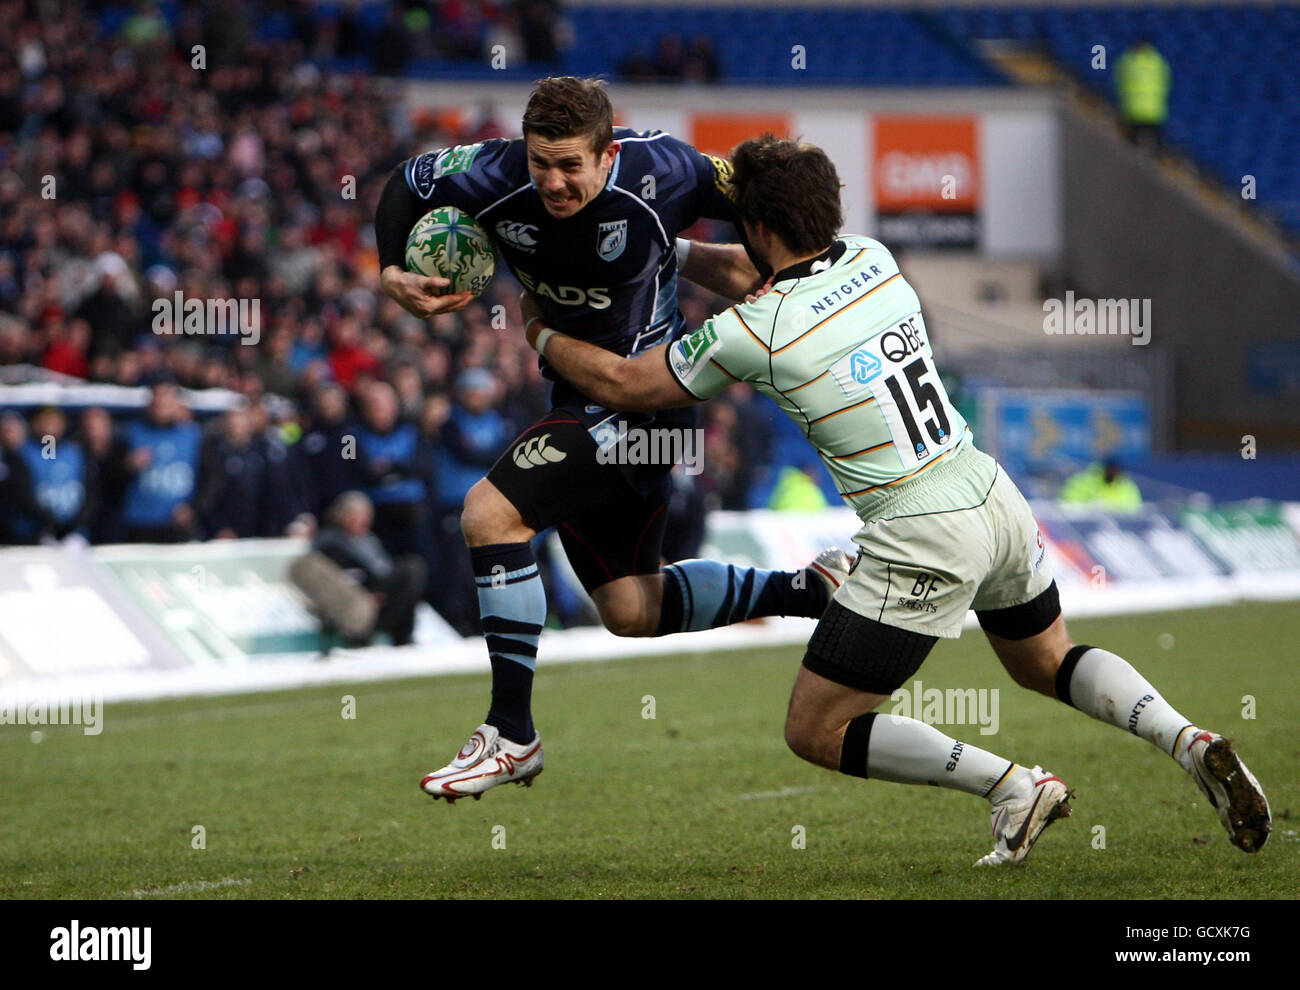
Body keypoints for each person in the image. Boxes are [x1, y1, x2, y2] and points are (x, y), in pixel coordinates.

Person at [521, 135, 1271, 864]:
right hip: (990, 492)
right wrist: (671, 251)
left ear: (756, 227)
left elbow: (624, 382)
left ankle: (1014, 786)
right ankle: (1189, 740)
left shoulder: (757, 330)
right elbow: (756, 273)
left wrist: (540, 328)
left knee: (816, 728)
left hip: (921, 532)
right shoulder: (874, 258)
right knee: (1048, 659)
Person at [376, 77, 850, 801]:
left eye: (571, 165)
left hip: (648, 402)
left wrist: (788, 280)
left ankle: (510, 733)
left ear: (609, 154)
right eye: (541, 163)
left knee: (490, 514)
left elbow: (771, 198)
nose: (553, 182)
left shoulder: (667, 169)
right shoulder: (492, 172)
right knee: (632, 608)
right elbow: (405, 186)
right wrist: (391, 272)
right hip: (584, 399)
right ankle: (812, 589)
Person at [313, 491, 426, 647]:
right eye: (355, 515)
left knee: (412, 569)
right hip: (357, 599)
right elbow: (334, 578)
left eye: (365, 515)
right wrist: (366, 594)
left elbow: (384, 567)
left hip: (381, 593)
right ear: (342, 516)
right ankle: (386, 635)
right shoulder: (331, 542)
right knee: (411, 570)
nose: (362, 520)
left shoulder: (368, 539)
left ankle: (402, 634)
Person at [1115, 39, 1171, 153]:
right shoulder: (1158, 62)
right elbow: (1166, 83)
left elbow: (1119, 82)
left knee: (1130, 145)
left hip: (1133, 110)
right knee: (1155, 143)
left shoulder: (1128, 61)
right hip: (1154, 111)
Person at [1059, 458, 1142, 513]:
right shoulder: (1084, 482)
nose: (1113, 473)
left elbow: (1135, 511)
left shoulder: (1127, 487)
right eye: (1110, 470)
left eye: (1115, 471)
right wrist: (1090, 507)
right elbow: (1067, 503)